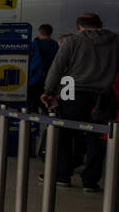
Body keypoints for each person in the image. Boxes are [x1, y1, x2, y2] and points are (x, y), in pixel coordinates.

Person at [42, 13, 119, 191]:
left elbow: (58, 66)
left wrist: (48, 91)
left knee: (64, 134)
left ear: (78, 26)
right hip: (104, 94)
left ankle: (62, 175)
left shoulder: (73, 41)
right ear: (100, 24)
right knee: (96, 137)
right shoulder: (116, 41)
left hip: (72, 90)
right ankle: (90, 181)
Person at [27, 24, 58, 114]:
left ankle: (32, 125)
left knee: (32, 105)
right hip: (50, 79)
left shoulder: (35, 44)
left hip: (35, 79)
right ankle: (49, 124)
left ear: (39, 32)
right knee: (47, 104)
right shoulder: (55, 45)